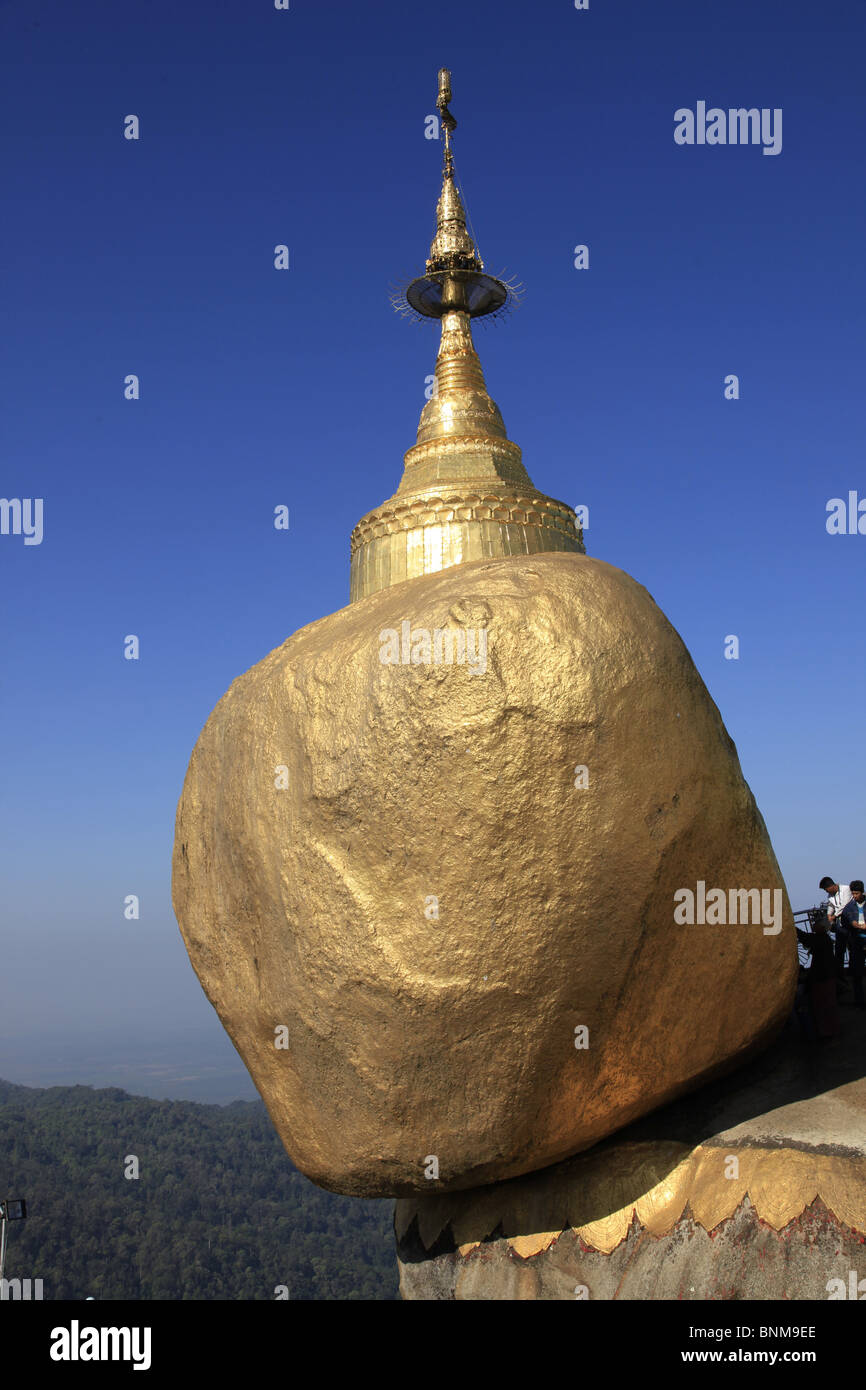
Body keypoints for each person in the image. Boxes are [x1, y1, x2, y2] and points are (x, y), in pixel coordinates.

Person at [796, 911, 840, 1038]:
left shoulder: (820, 939)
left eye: (815, 924)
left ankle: (827, 1032)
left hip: (822, 977)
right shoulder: (824, 939)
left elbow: (807, 939)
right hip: (826, 976)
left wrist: (795, 931)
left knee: (823, 1006)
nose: (813, 926)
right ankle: (830, 1030)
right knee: (827, 1005)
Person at [819, 877, 853, 983]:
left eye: (826, 889)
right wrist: (829, 914)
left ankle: (852, 972)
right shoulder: (831, 895)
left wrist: (834, 915)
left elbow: (845, 905)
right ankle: (840, 974)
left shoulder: (846, 889)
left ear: (831, 886)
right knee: (839, 950)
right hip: (840, 925)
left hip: (850, 923)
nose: (826, 891)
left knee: (852, 948)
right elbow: (831, 904)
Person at [841, 881, 866, 1008]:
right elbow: (844, 924)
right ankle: (859, 1001)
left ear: (862, 892)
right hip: (856, 942)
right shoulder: (849, 908)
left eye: (857, 893)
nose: (855, 896)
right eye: (853, 894)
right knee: (857, 974)